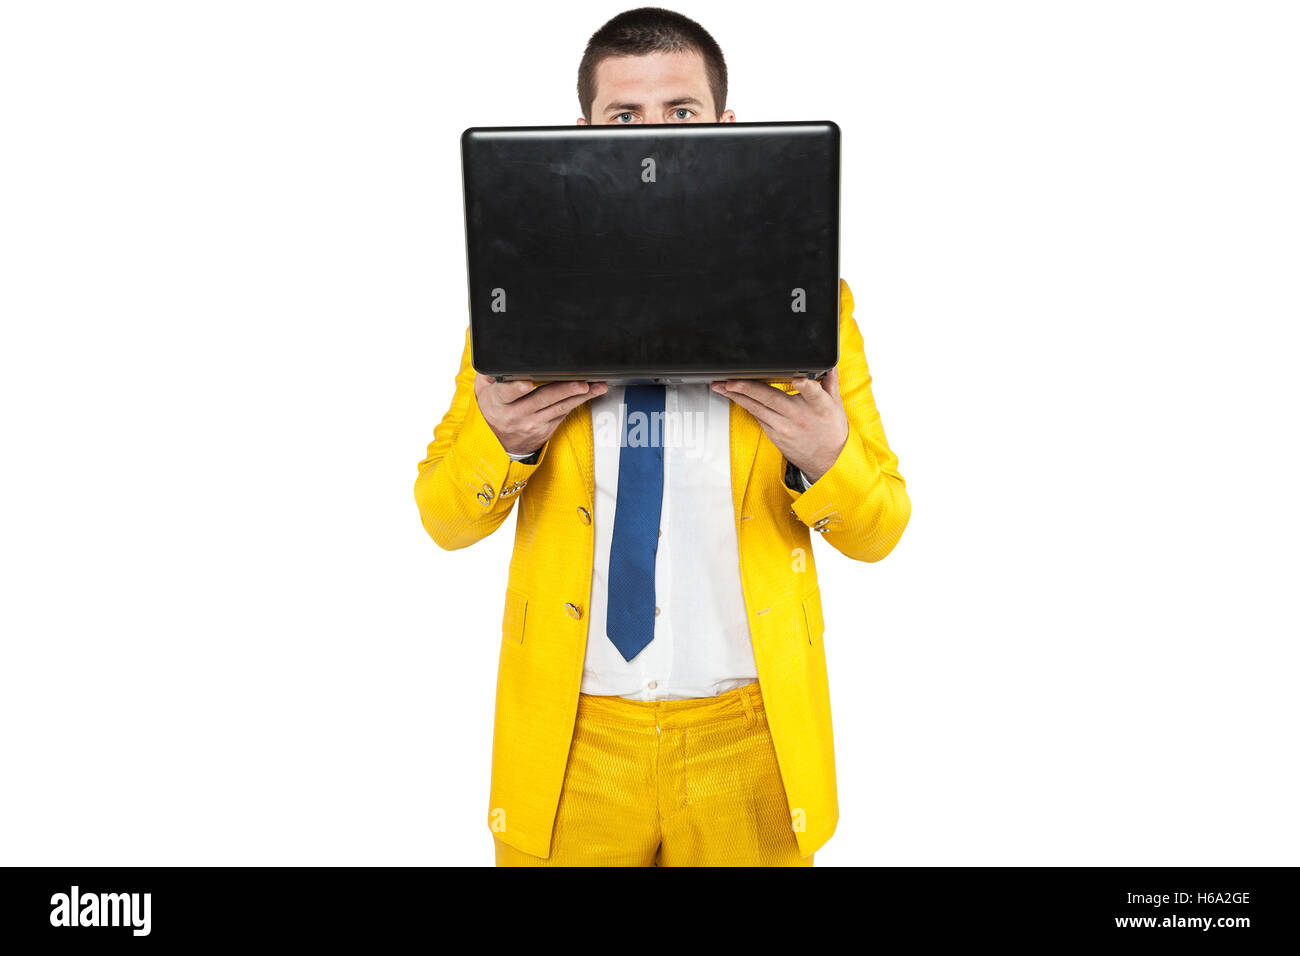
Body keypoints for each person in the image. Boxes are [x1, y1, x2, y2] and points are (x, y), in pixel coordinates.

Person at [414, 6, 911, 866]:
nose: (653, 143)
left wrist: (828, 460)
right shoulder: (523, 309)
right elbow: (442, 518)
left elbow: (882, 532)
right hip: (574, 741)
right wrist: (503, 443)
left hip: (747, 736)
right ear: (583, 136)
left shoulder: (813, 309)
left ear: (728, 129)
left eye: (681, 114)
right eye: (624, 118)